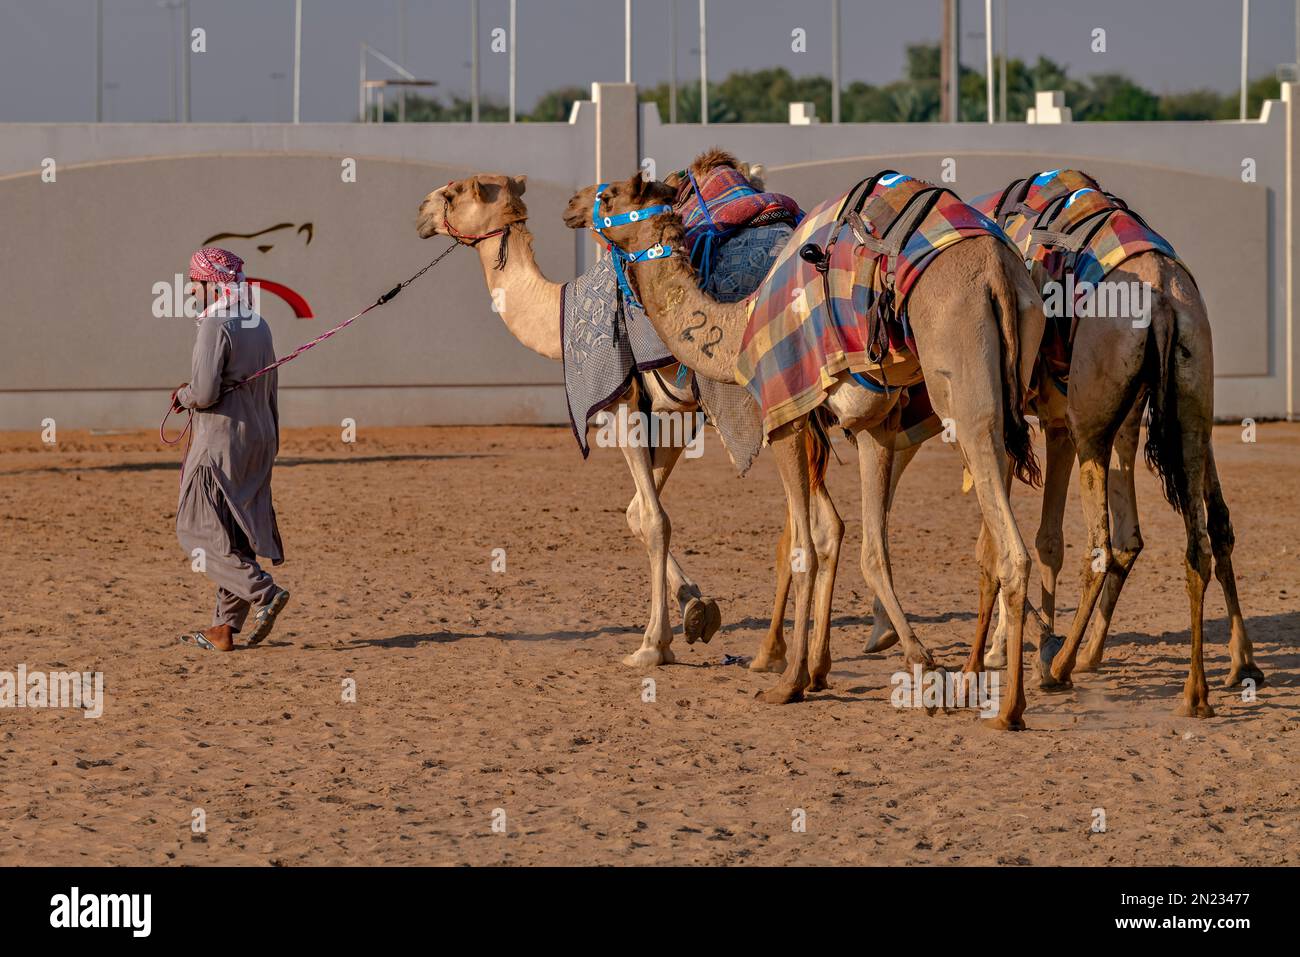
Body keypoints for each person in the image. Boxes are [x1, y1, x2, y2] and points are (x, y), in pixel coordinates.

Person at [173, 247, 289, 651]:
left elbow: (204, 393)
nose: (190, 289)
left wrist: (183, 396)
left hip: (220, 442)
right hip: (259, 440)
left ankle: (264, 591)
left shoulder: (214, 325)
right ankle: (223, 629)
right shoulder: (258, 323)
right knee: (233, 534)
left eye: (194, 281)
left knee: (194, 531)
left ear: (211, 282)